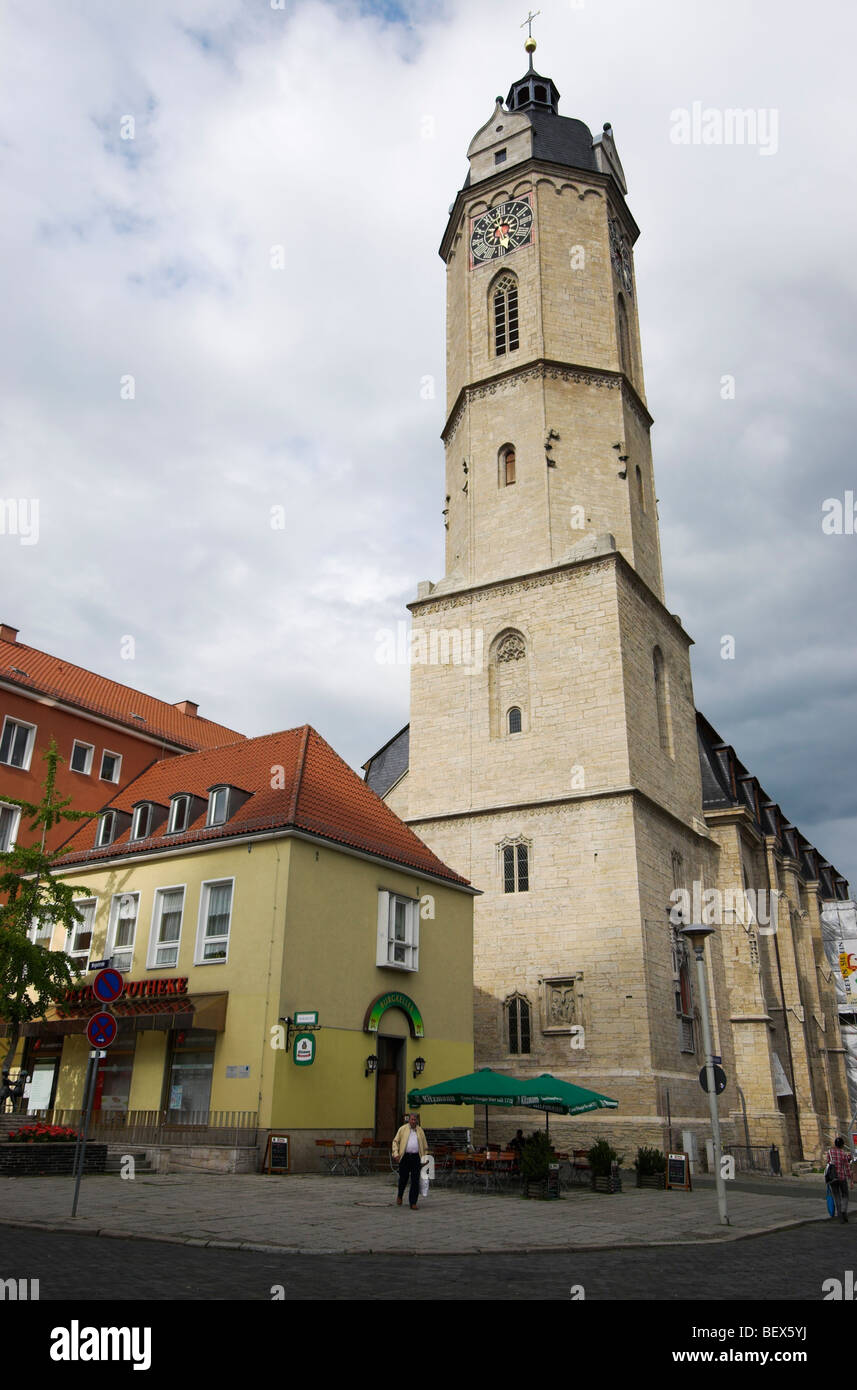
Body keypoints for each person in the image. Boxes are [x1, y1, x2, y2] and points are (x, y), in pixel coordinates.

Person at [392, 1113, 428, 1210]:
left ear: (417, 1120)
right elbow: (395, 1141)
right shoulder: (402, 1129)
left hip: (416, 1157)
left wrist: (425, 1158)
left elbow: (425, 1146)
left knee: (415, 1180)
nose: (413, 1121)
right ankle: (400, 1195)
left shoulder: (420, 1131)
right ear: (409, 1120)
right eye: (412, 1119)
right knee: (403, 1178)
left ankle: (413, 1202)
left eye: (415, 1120)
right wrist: (396, 1154)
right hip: (405, 1157)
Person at [824, 1136, 852, 1222]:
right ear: (842, 1145)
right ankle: (844, 1210)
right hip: (842, 1177)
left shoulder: (830, 1152)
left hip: (832, 1178)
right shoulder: (843, 1153)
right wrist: (850, 1179)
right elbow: (846, 1167)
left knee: (837, 1196)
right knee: (845, 1195)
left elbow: (828, 1163)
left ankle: (840, 1215)